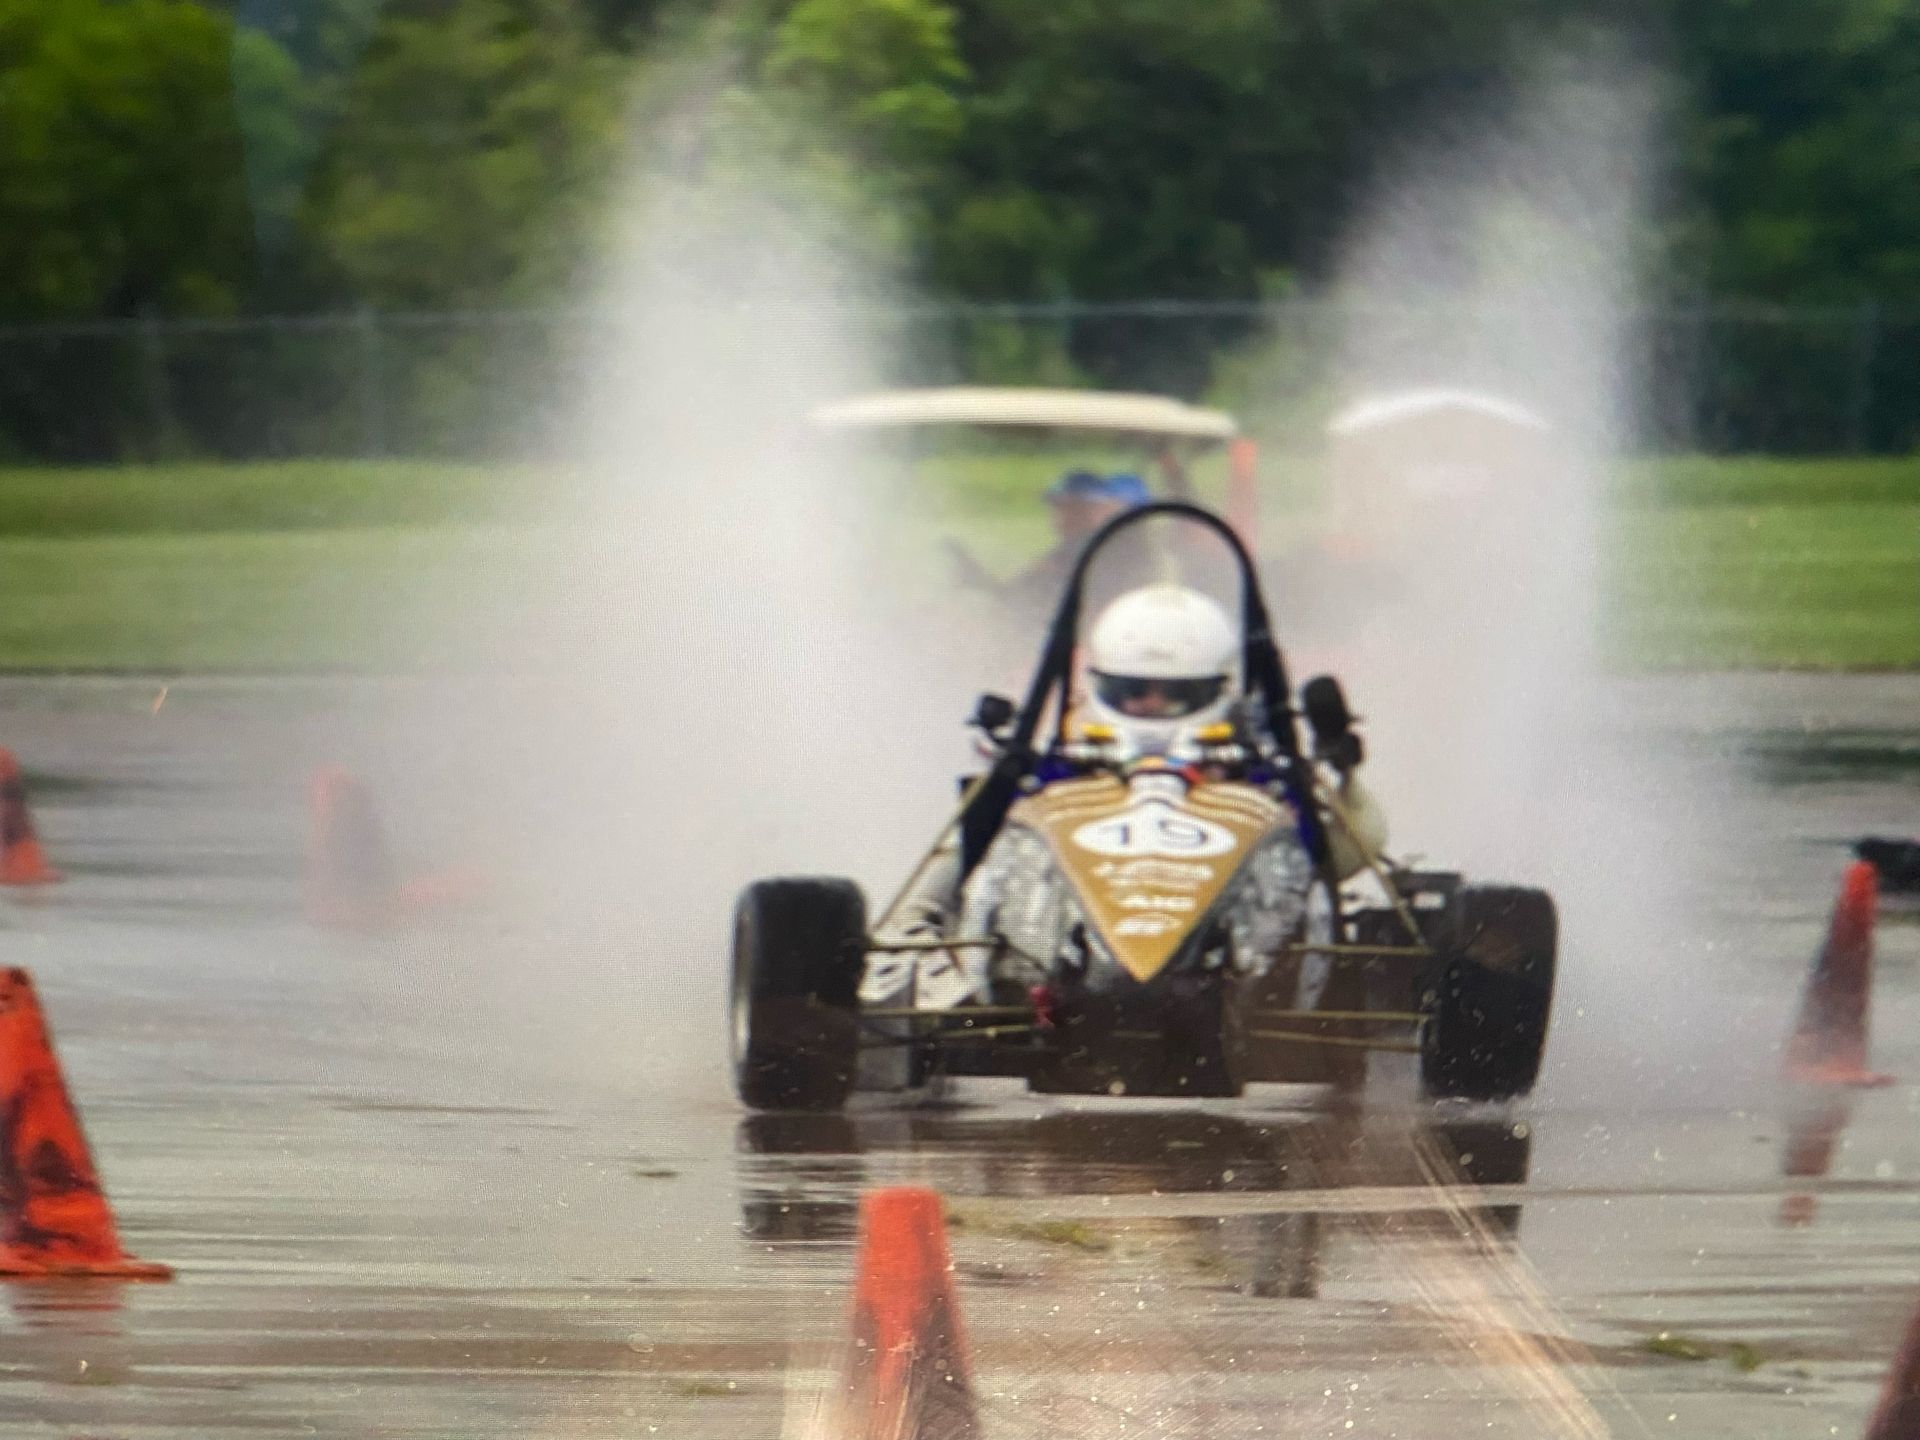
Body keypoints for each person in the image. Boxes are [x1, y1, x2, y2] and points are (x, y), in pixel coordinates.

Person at [1079, 583, 1388, 881]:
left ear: (1217, 690)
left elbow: (1347, 851)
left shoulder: (1260, 779)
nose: (1152, 704)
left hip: (1231, 927)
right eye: (1134, 690)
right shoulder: (1068, 773)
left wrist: (1344, 779)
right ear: (1105, 686)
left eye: (1176, 694)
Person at [947, 469, 1158, 625]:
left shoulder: (1098, 553)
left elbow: (1024, 598)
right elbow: (1019, 594)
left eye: (1072, 508)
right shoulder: (1071, 552)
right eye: (1059, 508)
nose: (1060, 517)